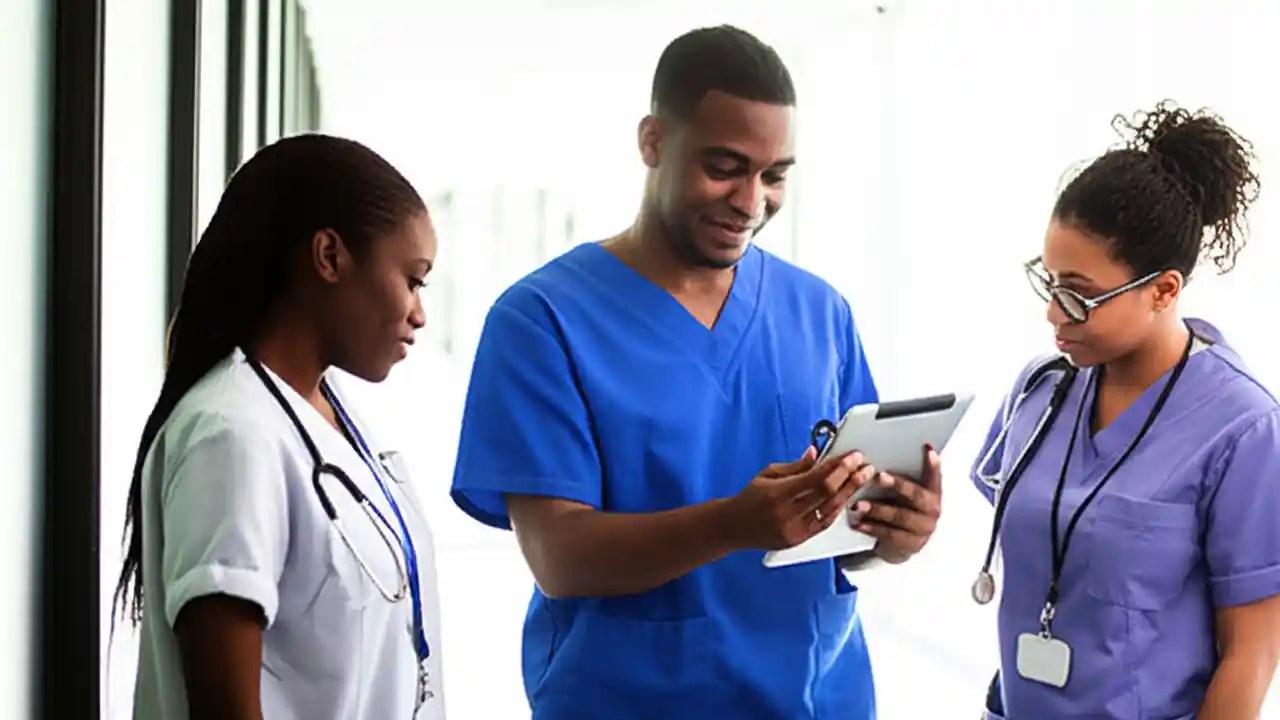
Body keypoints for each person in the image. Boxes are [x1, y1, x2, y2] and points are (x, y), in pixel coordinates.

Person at [450, 25, 942, 719]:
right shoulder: (542, 321)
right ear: (652, 141)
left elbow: (839, 535)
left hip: (816, 699)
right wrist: (732, 525)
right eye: (724, 166)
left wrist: (893, 535)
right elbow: (559, 557)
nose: (750, 201)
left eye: (774, 176)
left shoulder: (819, 312)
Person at [114, 134, 446, 719]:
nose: (419, 313)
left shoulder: (324, 412)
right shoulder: (232, 434)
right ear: (329, 256)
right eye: (413, 279)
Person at [971, 101, 1280, 719]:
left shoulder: (1243, 429)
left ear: (1164, 289)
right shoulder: (1041, 391)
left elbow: (1251, 654)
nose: (1055, 314)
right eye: (1049, 281)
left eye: (1080, 296)